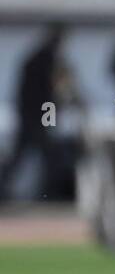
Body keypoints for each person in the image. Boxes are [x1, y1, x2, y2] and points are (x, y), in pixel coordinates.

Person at [0, 24, 78, 201]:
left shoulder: (37, 57)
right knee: (45, 153)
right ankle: (49, 192)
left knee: (27, 154)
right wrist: (49, 118)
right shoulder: (47, 59)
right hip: (39, 114)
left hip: (34, 113)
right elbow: (49, 93)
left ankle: (43, 190)